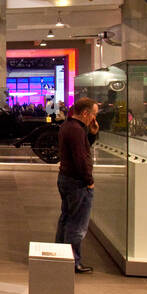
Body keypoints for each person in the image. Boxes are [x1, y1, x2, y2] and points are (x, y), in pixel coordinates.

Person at [56, 97, 100, 274]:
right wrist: (89, 181)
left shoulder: (69, 126)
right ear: (85, 113)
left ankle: (60, 256)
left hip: (67, 178)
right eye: (93, 115)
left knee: (66, 218)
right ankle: (73, 261)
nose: (94, 119)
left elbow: (82, 150)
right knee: (77, 224)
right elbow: (81, 158)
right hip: (77, 182)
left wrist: (92, 134)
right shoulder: (75, 130)